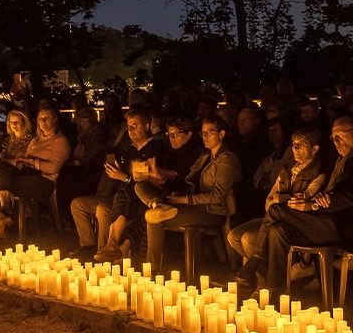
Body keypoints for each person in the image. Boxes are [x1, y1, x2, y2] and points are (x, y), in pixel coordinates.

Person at [254, 116, 353, 293]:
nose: (336, 141)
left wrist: (314, 205)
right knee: (278, 230)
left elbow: (347, 196)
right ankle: (275, 291)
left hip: (343, 226)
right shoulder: (338, 162)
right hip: (326, 220)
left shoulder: (342, 164)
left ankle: (253, 264)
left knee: (277, 210)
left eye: (341, 135)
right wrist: (320, 199)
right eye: (333, 137)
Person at [143, 116, 241, 275]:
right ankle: (158, 205)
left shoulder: (226, 160)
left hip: (213, 210)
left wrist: (183, 200)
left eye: (210, 132)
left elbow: (217, 196)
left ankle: (153, 270)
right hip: (194, 205)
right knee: (145, 194)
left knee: (154, 218)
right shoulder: (204, 158)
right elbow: (187, 181)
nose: (205, 137)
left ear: (222, 134)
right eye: (203, 133)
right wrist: (162, 179)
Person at [229, 128, 325, 286]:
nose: (294, 149)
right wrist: (283, 199)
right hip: (272, 218)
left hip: (293, 223)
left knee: (248, 239)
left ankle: (261, 280)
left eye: (300, 145)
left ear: (314, 149)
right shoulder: (288, 170)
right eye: (293, 144)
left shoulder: (319, 173)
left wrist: (281, 198)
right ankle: (264, 276)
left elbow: (303, 201)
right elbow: (269, 203)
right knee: (234, 234)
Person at [70, 107, 159, 259]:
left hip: (134, 200)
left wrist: (123, 177)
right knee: (78, 204)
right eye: (128, 127)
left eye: (135, 126)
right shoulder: (129, 150)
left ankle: (106, 252)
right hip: (116, 194)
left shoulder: (154, 150)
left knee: (103, 209)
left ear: (146, 126)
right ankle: (88, 246)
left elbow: (143, 186)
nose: (130, 130)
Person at [0, 107, 69, 239]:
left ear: (54, 120)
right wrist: (11, 163)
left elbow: (53, 168)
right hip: (27, 174)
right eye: (40, 118)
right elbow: (23, 160)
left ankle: (5, 219)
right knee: (1, 168)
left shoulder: (60, 141)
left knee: (0, 182)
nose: (43, 121)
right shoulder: (36, 140)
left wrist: (32, 162)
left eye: (46, 118)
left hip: (44, 181)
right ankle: (5, 207)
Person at [0, 109, 33, 239]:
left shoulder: (31, 140)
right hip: (3, 173)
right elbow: (2, 157)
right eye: (11, 122)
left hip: (20, 174)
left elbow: (20, 162)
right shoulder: (8, 140)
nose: (13, 125)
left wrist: (4, 162)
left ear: (25, 123)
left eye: (17, 122)